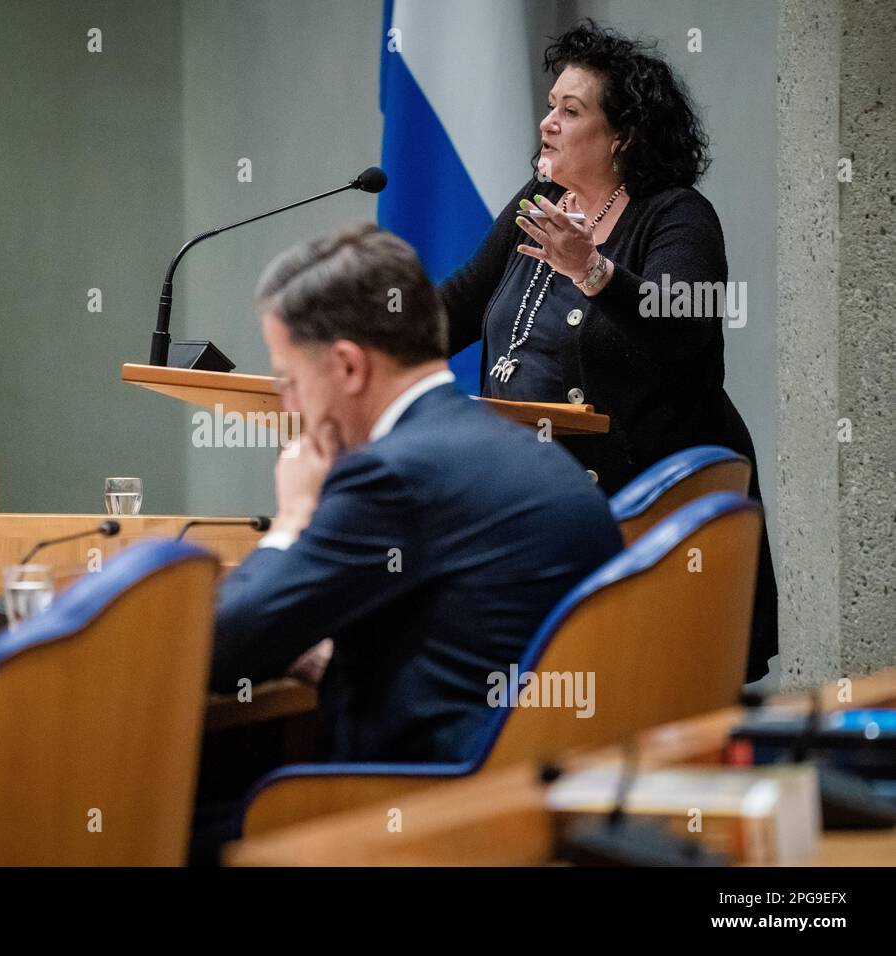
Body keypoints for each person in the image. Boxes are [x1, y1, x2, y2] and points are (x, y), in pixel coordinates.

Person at [437, 19, 776, 679]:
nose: (548, 123)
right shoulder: (536, 204)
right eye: (549, 106)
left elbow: (682, 322)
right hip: (541, 505)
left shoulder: (676, 215)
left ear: (622, 134)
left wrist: (592, 269)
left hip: (650, 510)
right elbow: (457, 308)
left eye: (571, 110)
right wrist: (356, 329)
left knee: (646, 698)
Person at [209, 223, 622, 764]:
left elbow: (224, 651)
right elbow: (462, 637)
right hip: (542, 789)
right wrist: (335, 659)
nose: (291, 408)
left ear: (349, 367)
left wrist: (293, 516)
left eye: (291, 381)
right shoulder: (531, 452)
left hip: (431, 807)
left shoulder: (390, 475)